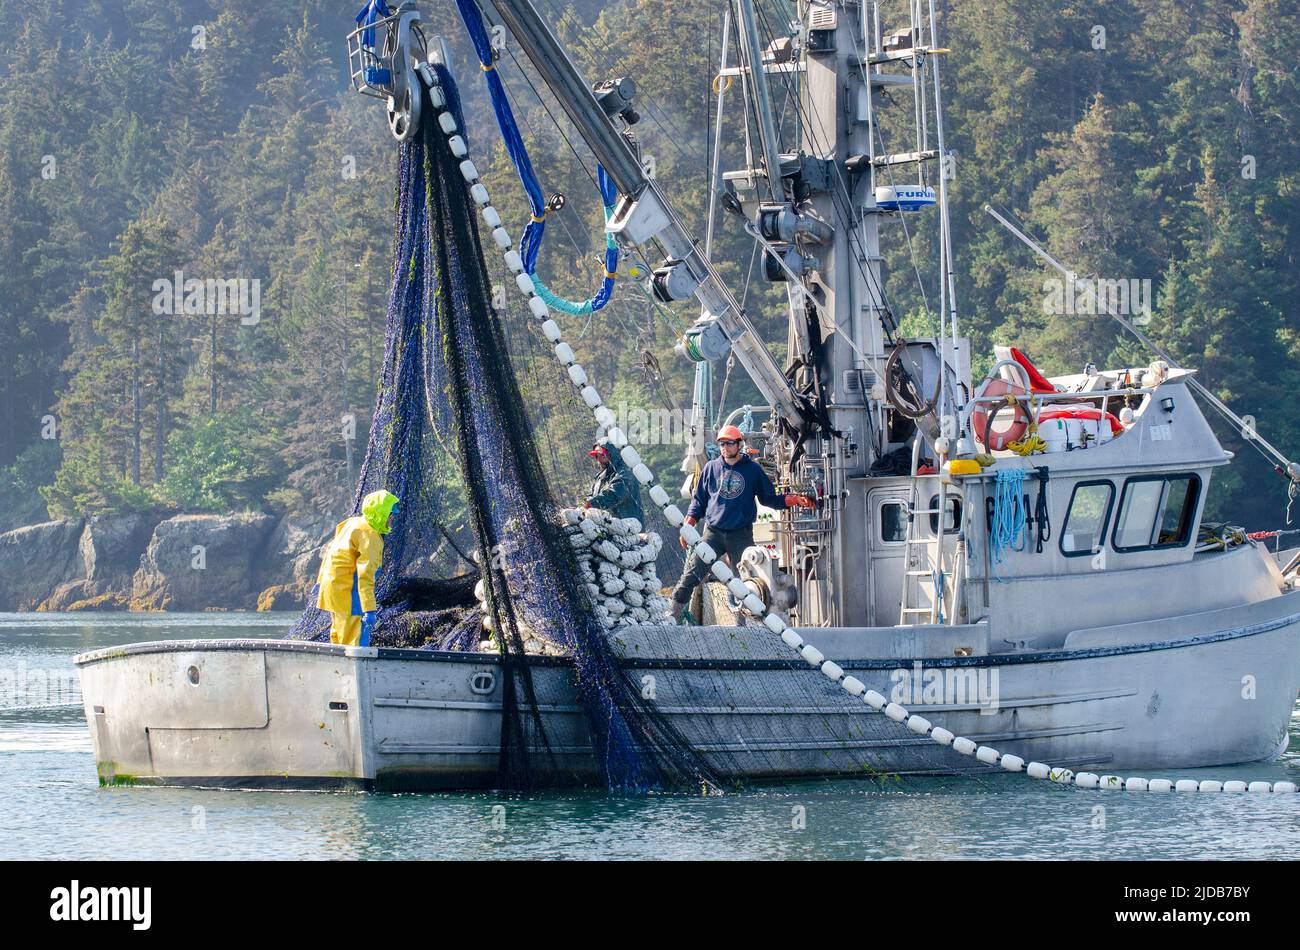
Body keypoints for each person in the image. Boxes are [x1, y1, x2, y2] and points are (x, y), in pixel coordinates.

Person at [669, 425, 815, 622]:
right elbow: (699, 502)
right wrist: (688, 525)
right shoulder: (711, 468)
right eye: (722, 443)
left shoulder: (753, 470)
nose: (725, 447)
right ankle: (672, 614)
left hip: (741, 534)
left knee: (747, 584)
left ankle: (745, 625)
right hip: (713, 533)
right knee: (692, 575)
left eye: (729, 443)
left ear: (739, 444)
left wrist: (794, 499)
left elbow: (769, 498)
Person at [316, 489, 400, 646]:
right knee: (354, 639)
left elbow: (331, 551)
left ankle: (337, 669)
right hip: (348, 593)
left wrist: (319, 582)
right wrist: (369, 609)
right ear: (381, 514)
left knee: (338, 635)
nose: (391, 519)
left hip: (332, 590)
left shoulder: (352, 523)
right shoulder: (371, 535)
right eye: (390, 515)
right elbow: (366, 575)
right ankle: (355, 670)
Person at [585, 437, 645, 523]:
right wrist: (582, 505)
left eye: (603, 456)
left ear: (613, 454)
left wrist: (591, 503)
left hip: (630, 529)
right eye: (597, 456)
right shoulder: (601, 477)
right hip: (610, 527)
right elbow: (592, 496)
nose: (599, 460)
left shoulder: (625, 473)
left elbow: (614, 495)